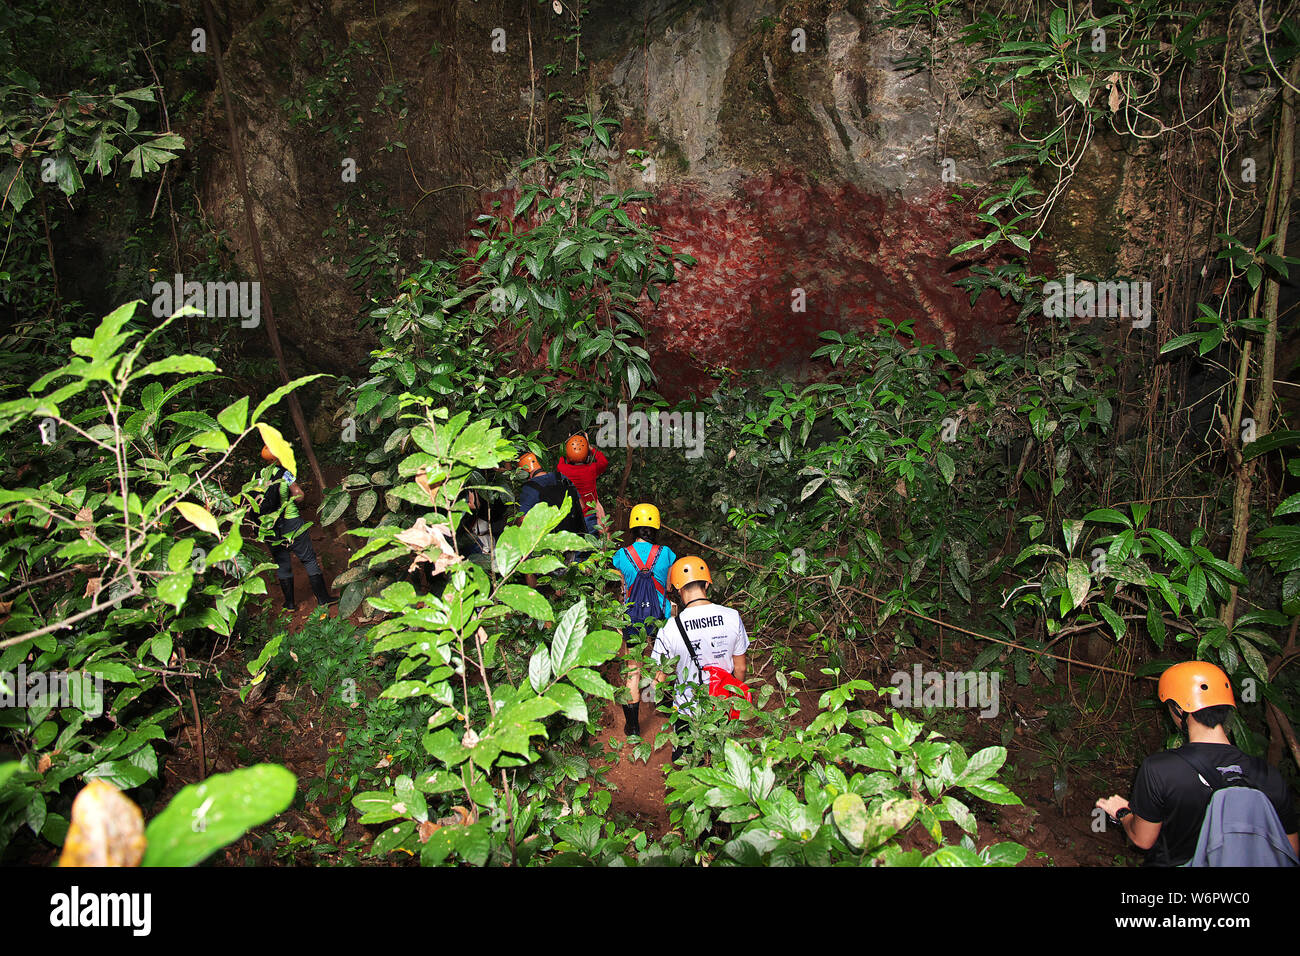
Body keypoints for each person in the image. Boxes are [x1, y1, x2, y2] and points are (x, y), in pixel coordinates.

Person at [1095, 660, 1298, 866]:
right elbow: (1290, 849)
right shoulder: (1268, 774)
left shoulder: (1159, 769)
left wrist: (1122, 813)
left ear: (1178, 709)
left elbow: (1142, 839)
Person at [649, 556, 749, 761]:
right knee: (721, 765)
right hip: (721, 706)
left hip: (687, 711)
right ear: (706, 584)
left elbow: (657, 679)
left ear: (678, 589)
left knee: (687, 768)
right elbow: (740, 669)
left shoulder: (670, 628)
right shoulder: (732, 616)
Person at [612, 503, 677, 737]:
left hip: (632, 617)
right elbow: (668, 586)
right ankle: (660, 702)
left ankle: (633, 727)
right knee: (661, 663)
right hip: (661, 615)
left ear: (632, 527)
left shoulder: (621, 555)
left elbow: (623, 587)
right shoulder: (667, 553)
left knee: (633, 669)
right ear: (656, 527)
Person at [258, 445, 334, 612]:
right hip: (291, 522)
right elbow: (299, 495)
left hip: (269, 527)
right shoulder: (285, 473)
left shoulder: (258, 476)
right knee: (308, 559)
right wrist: (292, 500)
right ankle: (323, 599)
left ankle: (290, 604)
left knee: (282, 564)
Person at [516, 452, 588, 587]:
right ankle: (562, 592)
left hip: (547, 542)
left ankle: (534, 594)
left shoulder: (529, 488)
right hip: (570, 536)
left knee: (524, 557)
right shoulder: (561, 477)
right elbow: (582, 506)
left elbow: (522, 521)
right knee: (565, 573)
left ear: (524, 473)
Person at [555, 434, 607, 534]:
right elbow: (603, 462)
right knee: (591, 544)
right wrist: (589, 447)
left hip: (573, 516)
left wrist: (569, 444)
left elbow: (562, 458)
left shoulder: (563, 469)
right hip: (590, 516)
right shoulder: (591, 469)